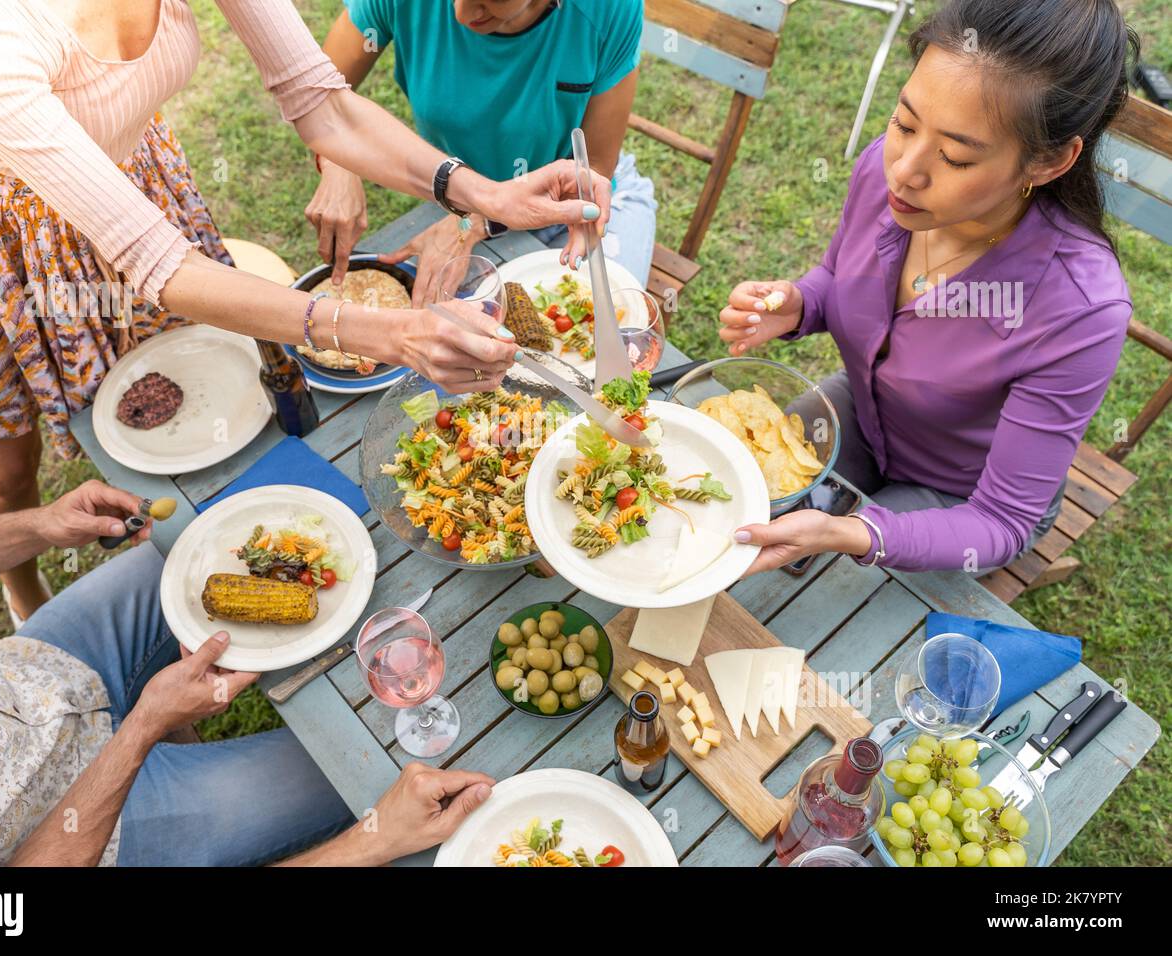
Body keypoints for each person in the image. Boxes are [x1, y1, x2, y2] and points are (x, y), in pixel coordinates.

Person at [0, 0, 610, 624]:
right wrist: (389, 333)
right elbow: (158, 263)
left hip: (129, 165)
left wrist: (484, 196)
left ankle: (161, 535)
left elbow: (321, 102)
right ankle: (21, 581)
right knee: (7, 456)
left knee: (168, 391)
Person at [0, 413, 494, 865]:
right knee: (375, 765)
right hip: (67, 836)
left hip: (36, 682)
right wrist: (143, 728)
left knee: (184, 550)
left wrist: (39, 525)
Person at [722, 0, 1137, 576]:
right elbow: (838, 278)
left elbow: (1001, 519)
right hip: (863, 415)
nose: (905, 170)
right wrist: (801, 305)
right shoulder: (885, 174)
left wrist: (857, 533)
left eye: (954, 156)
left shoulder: (1081, 308)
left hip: (961, 495)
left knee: (822, 584)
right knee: (729, 488)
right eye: (904, 122)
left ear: (1047, 162)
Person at [306, 0, 656, 304]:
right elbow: (318, 96)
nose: (460, 13)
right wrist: (338, 162)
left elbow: (594, 165)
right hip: (458, 200)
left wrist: (476, 221)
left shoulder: (609, 7)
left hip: (571, 204)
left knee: (600, 333)